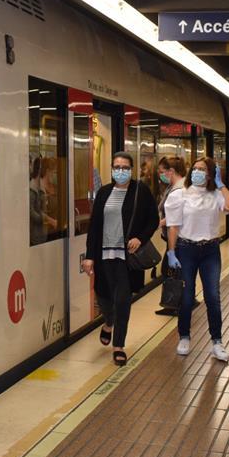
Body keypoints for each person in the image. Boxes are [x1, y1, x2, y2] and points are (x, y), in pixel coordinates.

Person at [83, 152, 159, 366]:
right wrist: (90, 257)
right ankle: (108, 321)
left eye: (125, 167)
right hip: (103, 254)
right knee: (104, 296)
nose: (121, 171)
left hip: (127, 257)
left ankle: (118, 346)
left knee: (123, 300)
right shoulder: (104, 192)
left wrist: (140, 238)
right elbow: (94, 226)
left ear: (131, 169)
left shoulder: (140, 191)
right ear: (111, 168)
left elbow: (152, 220)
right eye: (117, 167)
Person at [165, 157, 229, 361]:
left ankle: (217, 342)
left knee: (213, 297)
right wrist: (171, 252)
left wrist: (221, 184)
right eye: (195, 168)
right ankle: (184, 336)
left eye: (202, 169)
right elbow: (173, 226)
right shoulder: (179, 195)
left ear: (210, 174)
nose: (197, 172)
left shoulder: (215, 195)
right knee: (187, 297)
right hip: (186, 249)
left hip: (210, 250)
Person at [155, 156, 187, 316]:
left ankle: (174, 304)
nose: (159, 175)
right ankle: (177, 302)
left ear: (171, 171)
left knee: (171, 269)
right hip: (174, 236)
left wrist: (158, 223)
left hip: (179, 237)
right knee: (173, 269)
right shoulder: (172, 186)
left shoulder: (180, 189)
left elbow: (176, 215)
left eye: (161, 172)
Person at [29, 157, 57, 245]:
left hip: (51, 233)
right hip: (40, 234)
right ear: (47, 171)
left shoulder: (53, 187)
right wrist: (49, 220)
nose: (54, 174)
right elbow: (35, 211)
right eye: (54, 172)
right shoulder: (35, 188)